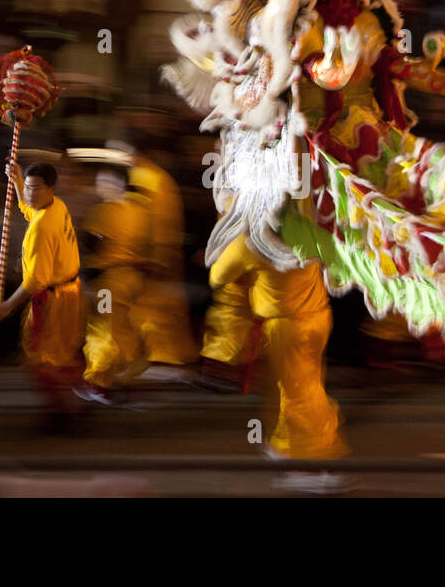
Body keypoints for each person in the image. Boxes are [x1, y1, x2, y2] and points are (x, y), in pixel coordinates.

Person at [209, 235, 351, 494]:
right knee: (295, 386)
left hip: (286, 327)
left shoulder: (252, 241)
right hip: (318, 316)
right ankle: (286, 445)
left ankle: (313, 462)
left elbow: (217, 276)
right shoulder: (307, 230)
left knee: (298, 394)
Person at [0, 162, 84, 418]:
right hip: (70, 291)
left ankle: (65, 409)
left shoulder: (42, 228)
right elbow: (29, 210)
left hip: (52, 300)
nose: (30, 194)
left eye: (36, 189)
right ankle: (75, 401)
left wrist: (7, 306)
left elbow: (35, 281)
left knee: (41, 358)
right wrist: (18, 182)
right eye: (29, 188)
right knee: (61, 355)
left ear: (51, 188)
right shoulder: (57, 206)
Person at [110, 139, 198, 367]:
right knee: (156, 311)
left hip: (149, 256)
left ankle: (165, 359)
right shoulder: (153, 177)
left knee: (155, 311)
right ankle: (165, 357)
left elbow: (156, 220)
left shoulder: (147, 179)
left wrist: (156, 256)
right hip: (150, 255)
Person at [78, 164, 153, 399]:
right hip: (132, 278)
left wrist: (86, 275)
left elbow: (93, 243)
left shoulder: (103, 212)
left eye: (102, 181)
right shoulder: (140, 211)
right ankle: (130, 366)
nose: (98, 186)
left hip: (108, 279)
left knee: (102, 329)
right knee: (120, 326)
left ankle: (99, 380)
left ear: (114, 184)